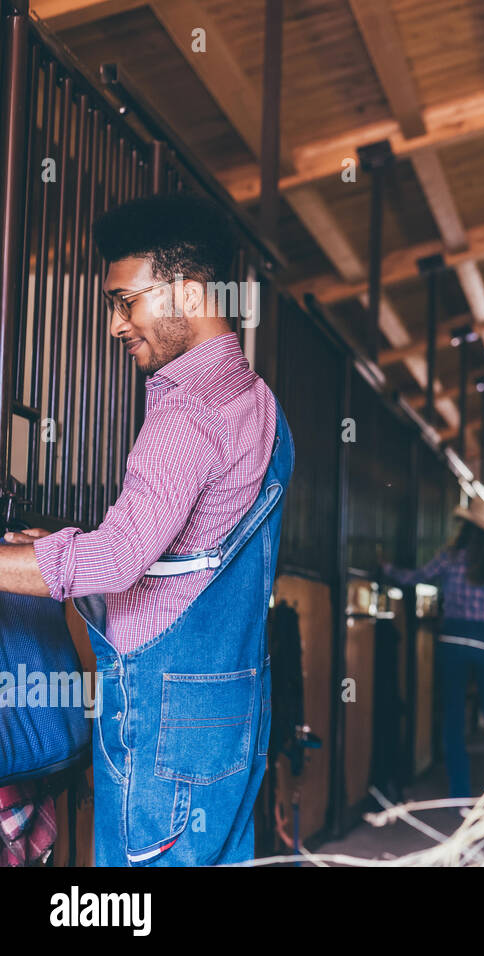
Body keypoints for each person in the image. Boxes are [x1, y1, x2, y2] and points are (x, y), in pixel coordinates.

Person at [0, 193, 293, 866]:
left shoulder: (187, 415)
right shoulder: (259, 401)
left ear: (187, 293)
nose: (114, 324)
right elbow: (196, 550)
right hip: (235, 711)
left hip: (168, 725)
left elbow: (117, 560)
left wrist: (52, 556)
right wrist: (44, 546)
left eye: (125, 301)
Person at [384, 499, 484, 800]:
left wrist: (387, 569)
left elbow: (417, 577)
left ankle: (460, 793)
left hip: (454, 639)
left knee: (453, 718)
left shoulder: (453, 555)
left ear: (467, 527)